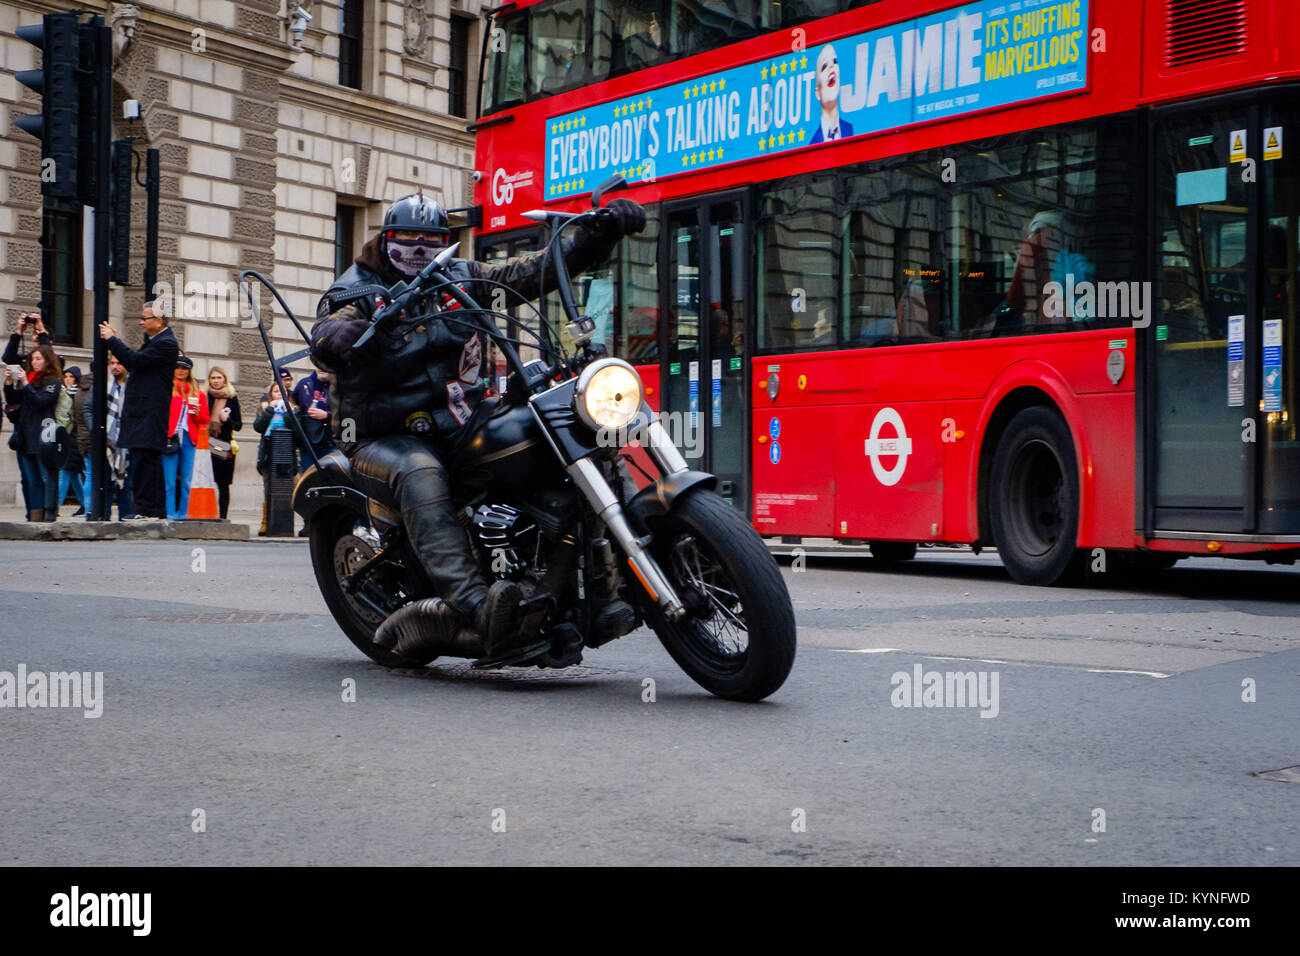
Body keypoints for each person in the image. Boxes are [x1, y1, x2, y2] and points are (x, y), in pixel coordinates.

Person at [310, 191, 646, 661]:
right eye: (407, 238)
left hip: (463, 421)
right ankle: (475, 606)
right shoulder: (360, 288)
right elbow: (328, 329)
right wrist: (337, 337)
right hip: (380, 436)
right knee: (419, 472)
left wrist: (595, 236)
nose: (419, 248)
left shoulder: (461, 276)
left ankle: (603, 566)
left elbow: (531, 272)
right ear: (386, 239)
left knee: (553, 425)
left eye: (431, 240)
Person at [99, 301, 181, 519]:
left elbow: (134, 361)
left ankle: (146, 510)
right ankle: (152, 509)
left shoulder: (166, 343)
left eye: (145, 318)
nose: (141, 322)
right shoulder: (157, 341)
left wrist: (113, 340)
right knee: (145, 460)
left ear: (159, 320)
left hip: (150, 413)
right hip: (144, 412)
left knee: (146, 461)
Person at [3, 343, 63, 521]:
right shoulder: (27, 380)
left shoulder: (53, 381)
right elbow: (13, 401)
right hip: (25, 435)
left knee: (46, 478)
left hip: (43, 435)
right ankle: (35, 516)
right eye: (32, 359)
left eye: (38, 359)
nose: (34, 362)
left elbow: (41, 401)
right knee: (32, 480)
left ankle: (49, 514)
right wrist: (8, 383)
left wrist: (26, 383)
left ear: (46, 361)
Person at [163, 355, 210, 519]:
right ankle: (170, 514)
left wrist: (197, 414)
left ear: (189, 371)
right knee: (169, 482)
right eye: (178, 367)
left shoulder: (197, 392)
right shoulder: (168, 388)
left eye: (184, 368)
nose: (180, 371)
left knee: (187, 482)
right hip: (170, 437)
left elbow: (205, 419)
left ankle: (183, 514)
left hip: (190, 439)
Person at [254, 369, 298, 536]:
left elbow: (296, 429)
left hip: (286, 454)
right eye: (276, 391)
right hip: (268, 452)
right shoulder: (266, 407)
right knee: (267, 487)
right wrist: (270, 411)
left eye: (282, 391)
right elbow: (258, 427)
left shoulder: (293, 408)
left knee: (286, 488)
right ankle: (266, 521)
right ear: (271, 394)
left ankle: (284, 520)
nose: (279, 393)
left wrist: (287, 412)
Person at [205, 366, 242, 520]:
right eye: (213, 378)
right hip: (205, 444)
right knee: (204, 482)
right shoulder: (204, 396)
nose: (216, 381)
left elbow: (238, 425)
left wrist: (226, 420)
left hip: (223, 445)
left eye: (219, 377)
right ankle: (206, 514)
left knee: (223, 484)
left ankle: (223, 517)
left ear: (225, 379)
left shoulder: (232, 398)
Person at [58, 366, 90, 516]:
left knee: (66, 472)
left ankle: (54, 506)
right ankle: (84, 503)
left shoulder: (78, 394)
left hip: (75, 437)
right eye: (66, 376)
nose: (68, 379)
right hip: (65, 437)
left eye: (71, 377)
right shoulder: (62, 393)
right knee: (72, 473)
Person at [292, 367, 335, 473]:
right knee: (309, 480)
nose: (322, 367)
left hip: (332, 444)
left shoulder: (339, 387)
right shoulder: (303, 384)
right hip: (308, 446)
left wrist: (326, 415)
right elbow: (295, 405)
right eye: (318, 364)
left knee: (333, 480)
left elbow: (348, 416)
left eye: (325, 364)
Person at [809, 44, 854, 144]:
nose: (831, 66)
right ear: (818, 94)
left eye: (835, 61)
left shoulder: (849, 129)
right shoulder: (812, 144)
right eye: (824, 66)